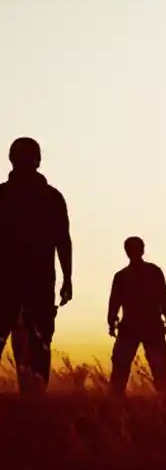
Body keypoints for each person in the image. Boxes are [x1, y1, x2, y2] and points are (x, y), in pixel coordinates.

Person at [0, 137, 72, 394]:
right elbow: (63, 241)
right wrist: (67, 278)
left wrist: (67, 278)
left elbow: (63, 240)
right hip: (31, 282)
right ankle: (34, 397)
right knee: (39, 342)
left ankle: (34, 398)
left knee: (38, 341)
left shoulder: (6, 195)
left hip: (22, 282)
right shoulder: (51, 197)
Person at [108, 237, 166, 396]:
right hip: (142, 325)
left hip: (139, 325)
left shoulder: (124, 276)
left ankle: (116, 399)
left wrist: (111, 320)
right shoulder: (150, 272)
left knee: (127, 365)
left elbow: (163, 297)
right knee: (154, 366)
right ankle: (164, 399)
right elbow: (164, 297)